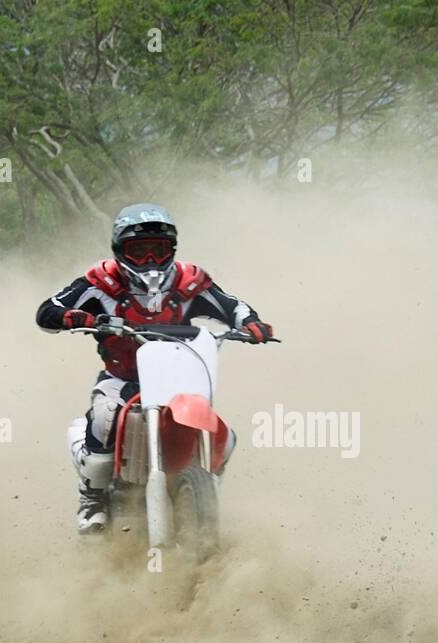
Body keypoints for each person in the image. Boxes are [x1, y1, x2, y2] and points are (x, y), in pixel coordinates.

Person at [36, 203, 273, 533]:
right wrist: (72, 317)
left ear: (171, 250)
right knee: (103, 418)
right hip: (122, 379)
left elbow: (232, 306)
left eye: (157, 250)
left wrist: (251, 323)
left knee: (227, 436)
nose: (149, 260)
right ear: (121, 250)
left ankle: (201, 490)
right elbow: (48, 310)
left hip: (180, 379)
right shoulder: (100, 283)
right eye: (139, 251)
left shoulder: (189, 282)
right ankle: (92, 497)